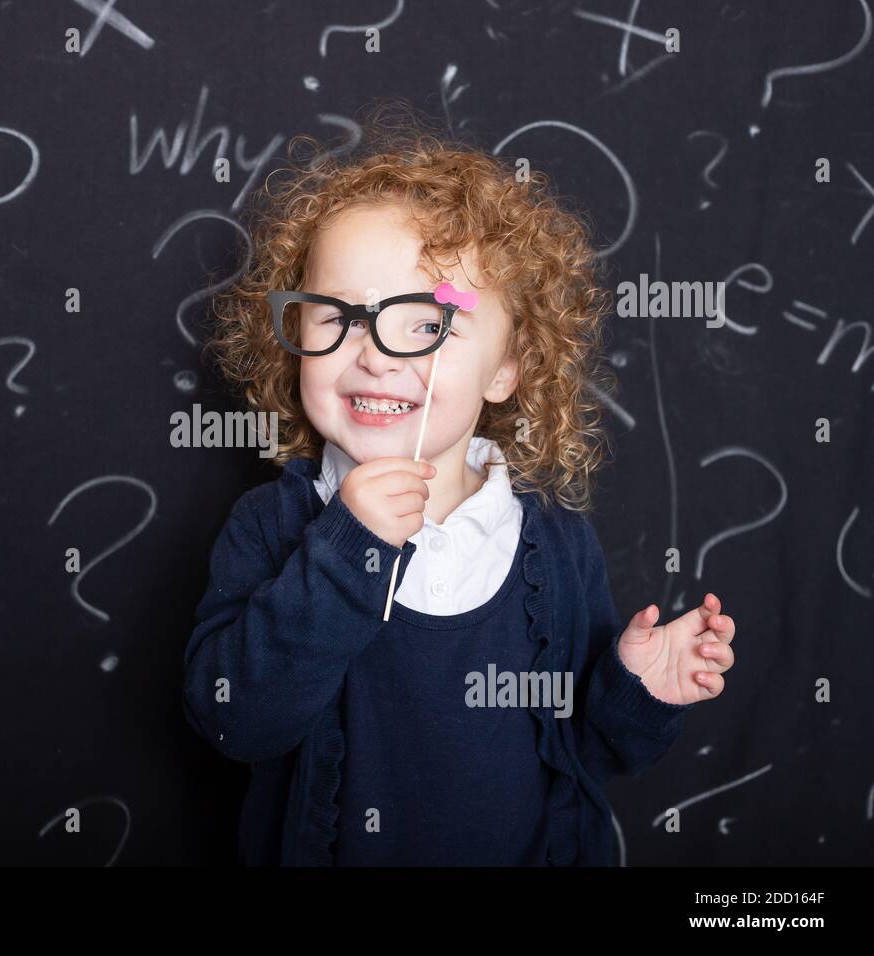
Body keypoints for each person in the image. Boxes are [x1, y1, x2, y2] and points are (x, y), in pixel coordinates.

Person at [182, 101, 738, 866]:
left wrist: (638, 691)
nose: (376, 355)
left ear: (507, 367)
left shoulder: (555, 548)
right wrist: (348, 550)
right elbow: (236, 721)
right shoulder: (272, 527)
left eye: (425, 325)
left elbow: (586, 751)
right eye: (338, 316)